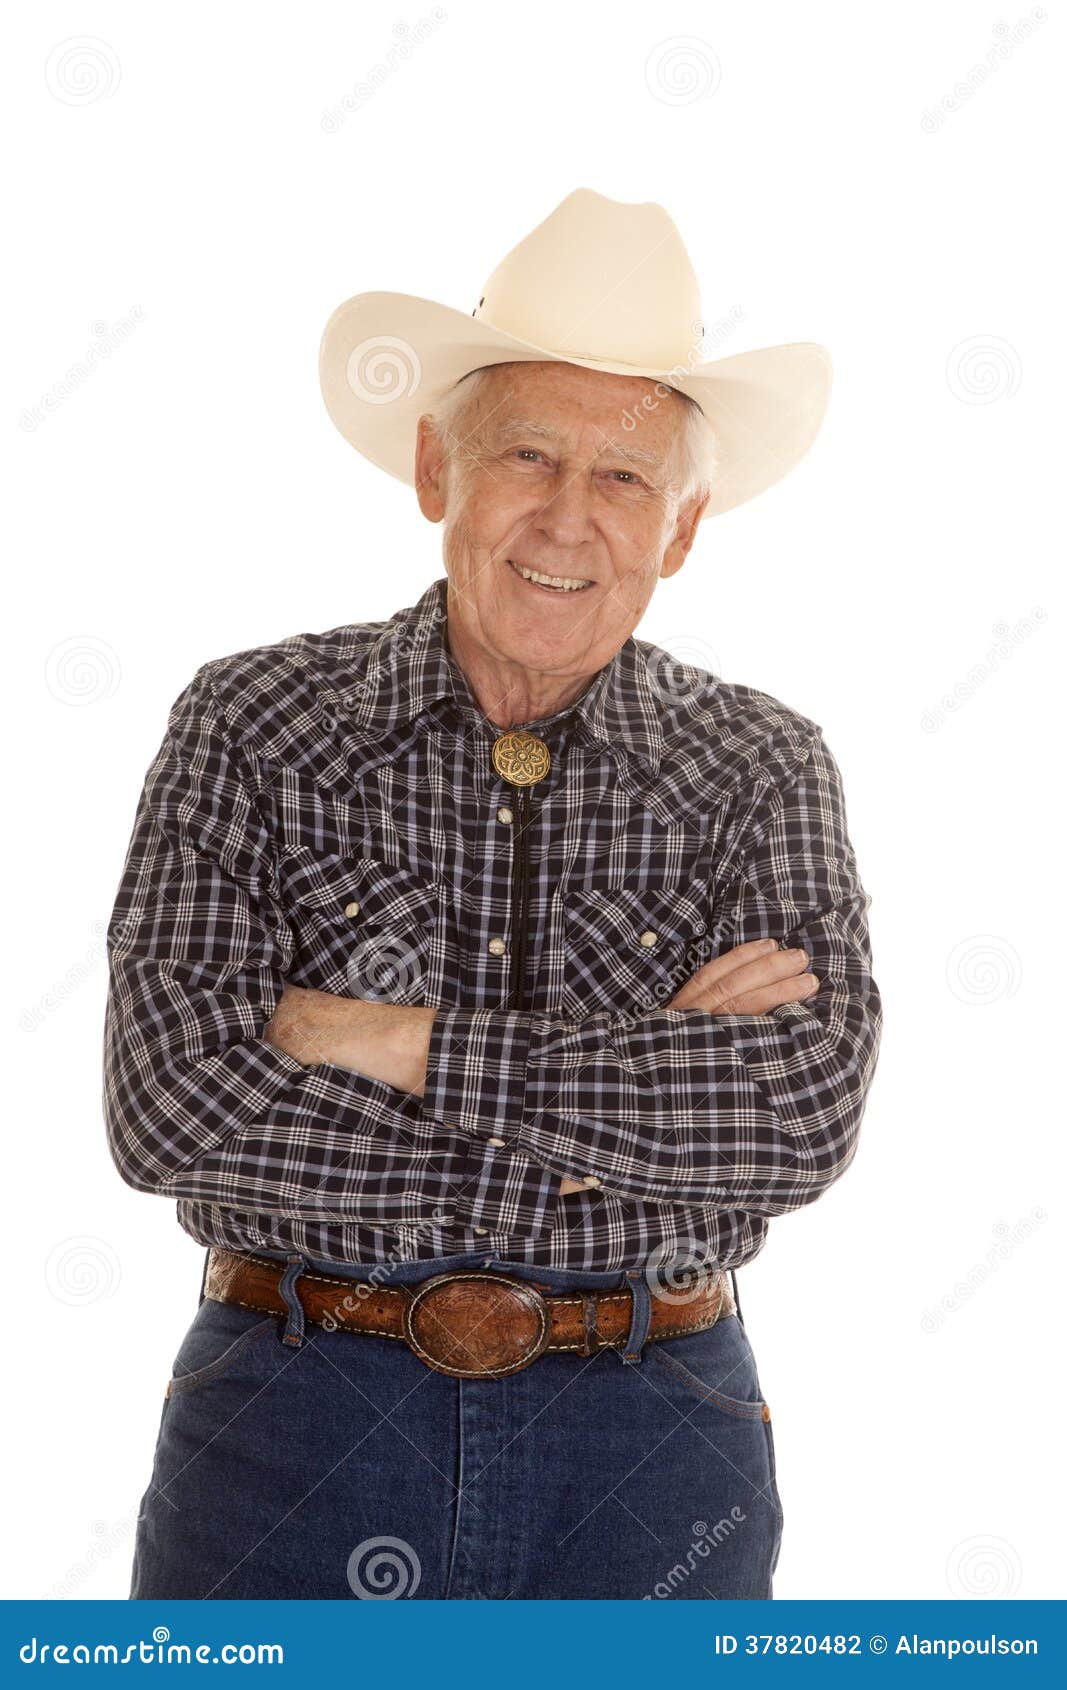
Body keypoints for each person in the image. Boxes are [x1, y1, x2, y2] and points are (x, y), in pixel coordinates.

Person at [103, 188, 882, 1600]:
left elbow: (796, 1117)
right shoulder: (253, 723)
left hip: (652, 1442)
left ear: (682, 530)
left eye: (625, 477)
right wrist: (630, 1101)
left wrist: (382, 1037)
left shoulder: (762, 764)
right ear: (434, 470)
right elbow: (171, 1111)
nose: (568, 519)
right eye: (527, 453)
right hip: (289, 1420)